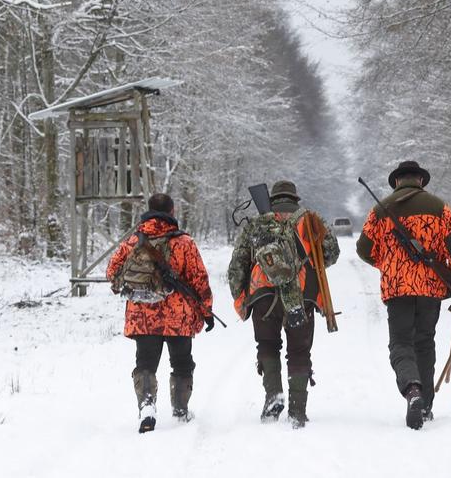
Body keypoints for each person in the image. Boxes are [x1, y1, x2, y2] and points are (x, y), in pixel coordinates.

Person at [357, 160, 451, 430]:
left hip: (397, 289)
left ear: (397, 181)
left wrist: (386, 264)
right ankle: (426, 406)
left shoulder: (380, 210)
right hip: (430, 289)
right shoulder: (439, 207)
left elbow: (363, 249)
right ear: (420, 180)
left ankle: (412, 390)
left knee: (400, 343)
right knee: (424, 343)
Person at [228, 180, 340, 428]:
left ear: (272, 199)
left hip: (262, 294)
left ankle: (273, 396)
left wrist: (242, 299)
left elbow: (237, 265)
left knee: (267, 345)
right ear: (295, 198)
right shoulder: (311, 219)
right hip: (302, 295)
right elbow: (331, 253)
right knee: (299, 351)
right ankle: (297, 411)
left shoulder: (256, 223)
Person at [106, 192, 214, 433]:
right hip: (179, 317)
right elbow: (199, 280)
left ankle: (147, 407)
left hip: (143, 316)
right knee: (182, 363)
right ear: (172, 212)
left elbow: (112, 272)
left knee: (145, 363)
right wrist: (206, 310)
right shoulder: (184, 242)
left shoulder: (133, 241)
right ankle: (180, 410)